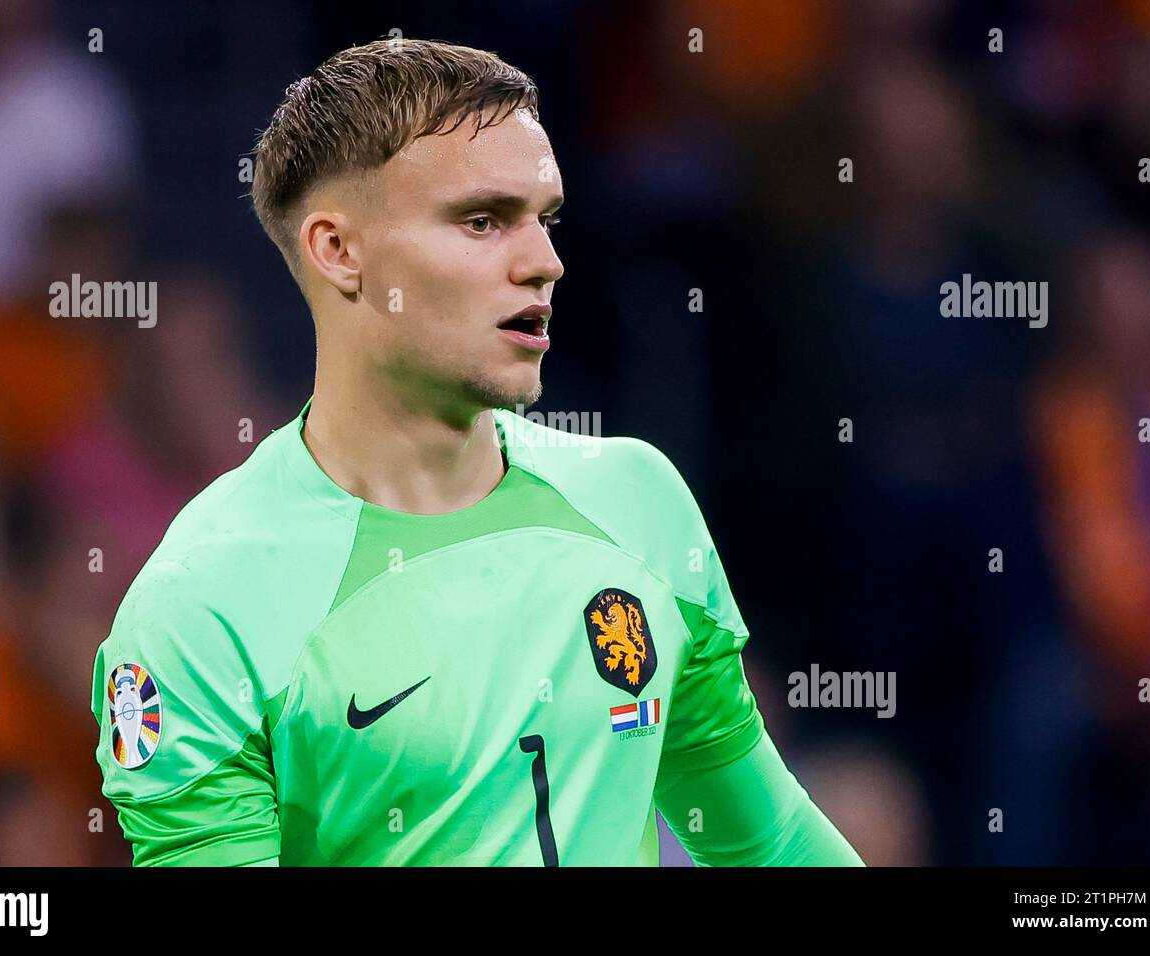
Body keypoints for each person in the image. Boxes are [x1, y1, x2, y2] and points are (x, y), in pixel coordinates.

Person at [91, 37, 863, 867]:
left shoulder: (637, 499)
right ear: (339, 251)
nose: (544, 262)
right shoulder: (205, 604)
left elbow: (768, 843)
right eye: (483, 220)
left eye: (546, 220)